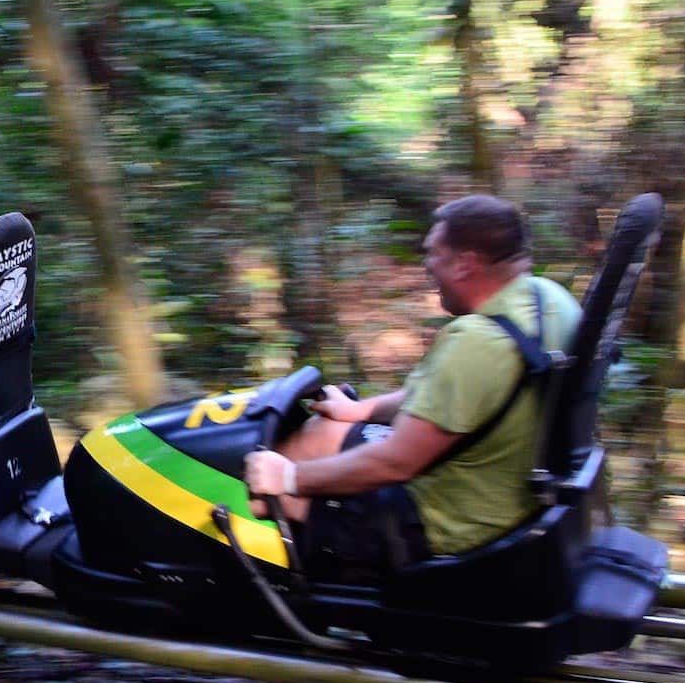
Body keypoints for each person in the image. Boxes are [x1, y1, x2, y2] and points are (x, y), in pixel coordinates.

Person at [243, 194, 582, 581]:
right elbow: (466, 396)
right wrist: (362, 410)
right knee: (322, 432)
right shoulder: (550, 300)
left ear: (464, 264)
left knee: (262, 494)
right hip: (506, 496)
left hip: (446, 526)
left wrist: (287, 478)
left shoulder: (475, 341)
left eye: (432, 254)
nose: (427, 266)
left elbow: (397, 462)